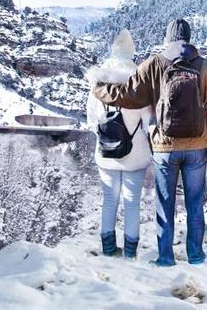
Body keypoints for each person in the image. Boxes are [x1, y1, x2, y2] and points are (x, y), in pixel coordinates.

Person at [93, 19, 207, 266]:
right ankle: (195, 255)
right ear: (189, 39)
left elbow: (127, 95)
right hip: (197, 145)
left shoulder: (153, 64)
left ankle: (165, 257)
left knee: (165, 204)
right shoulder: (206, 67)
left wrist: (98, 88)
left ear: (167, 39)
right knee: (195, 204)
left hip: (164, 146)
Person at [85, 29, 152, 259]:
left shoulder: (98, 84)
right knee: (132, 203)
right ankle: (131, 252)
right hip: (135, 155)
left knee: (109, 201)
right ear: (132, 53)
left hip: (106, 153)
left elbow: (92, 121)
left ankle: (108, 249)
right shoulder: (139, 85)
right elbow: (147, 122)